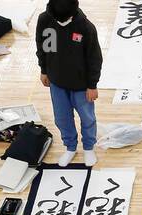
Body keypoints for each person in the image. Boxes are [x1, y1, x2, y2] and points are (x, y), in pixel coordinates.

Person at [36, 0, 103, 167]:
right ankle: (70, 147)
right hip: (57, 83)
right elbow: (43, 46)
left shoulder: (86, 28)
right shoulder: (45, 20)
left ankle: (88, 148)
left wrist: (92, 85)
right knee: (62, 119)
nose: (61, 22)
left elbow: (94, 59)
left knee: (87, 119)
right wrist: (44, 70)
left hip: (81, 86)